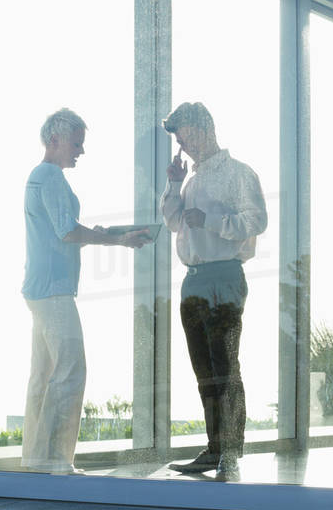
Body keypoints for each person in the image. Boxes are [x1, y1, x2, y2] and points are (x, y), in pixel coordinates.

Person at [21, 109, 150, 474]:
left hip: (40, 287)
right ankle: (56, 462)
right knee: (70, 371)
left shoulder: (39, 176)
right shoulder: (50, 176)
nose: (81, 151)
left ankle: (35, 461)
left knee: (44, 375)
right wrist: (118, 240)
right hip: (54, 291)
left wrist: (102, 234)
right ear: (54, 140)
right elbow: (67, 231)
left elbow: (62, 230)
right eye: (76, 144)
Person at [160, 102, 267, 482]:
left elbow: (257, 220)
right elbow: (174, 223)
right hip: (194, 279)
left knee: (225, 367)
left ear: (205, 131)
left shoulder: (238, 173)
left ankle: (230, 453)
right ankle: (215, 449)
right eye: (179, 140)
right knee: (204, 370)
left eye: (186, 136)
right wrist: (174, 183)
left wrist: (210, 220)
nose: (183, 146)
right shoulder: (191, 179)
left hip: (224, 277)